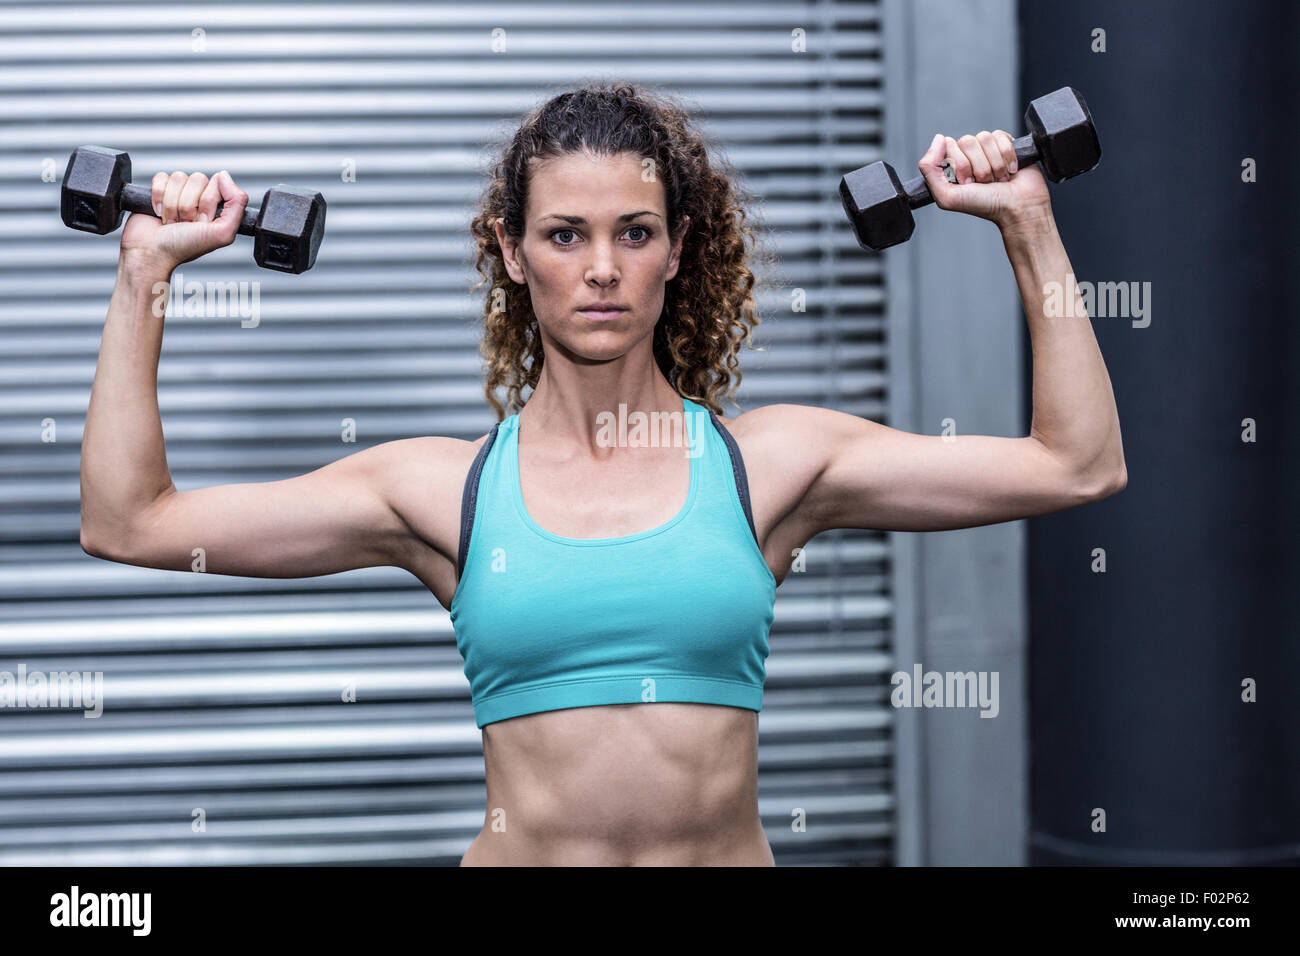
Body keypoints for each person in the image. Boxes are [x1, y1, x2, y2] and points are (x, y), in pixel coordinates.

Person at [79, 82, 1126, 866]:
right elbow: (130, 519)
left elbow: (1074, 462)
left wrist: (1027, 223)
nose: (600, 269)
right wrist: (144, 273)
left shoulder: (769, 465)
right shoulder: (443, 492)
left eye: (633, 233)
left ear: (676, 249)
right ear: (511, 248)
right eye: (564, 234)